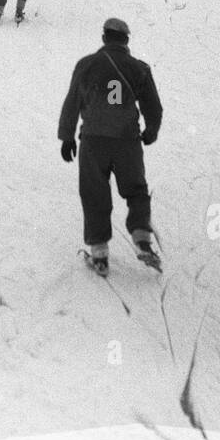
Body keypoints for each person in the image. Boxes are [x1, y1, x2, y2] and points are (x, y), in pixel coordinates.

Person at [58, 18, 163, 275]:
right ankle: (141, 237)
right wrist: (150, 131)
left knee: (94, 194)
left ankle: (100, 252)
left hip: (94, 141)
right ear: (126, 41)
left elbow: (73, 101)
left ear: (104, 37)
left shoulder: (86, 65)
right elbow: (153, 107)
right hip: (127, 141)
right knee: (136, 190)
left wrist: (67, 136)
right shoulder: (139, 69)